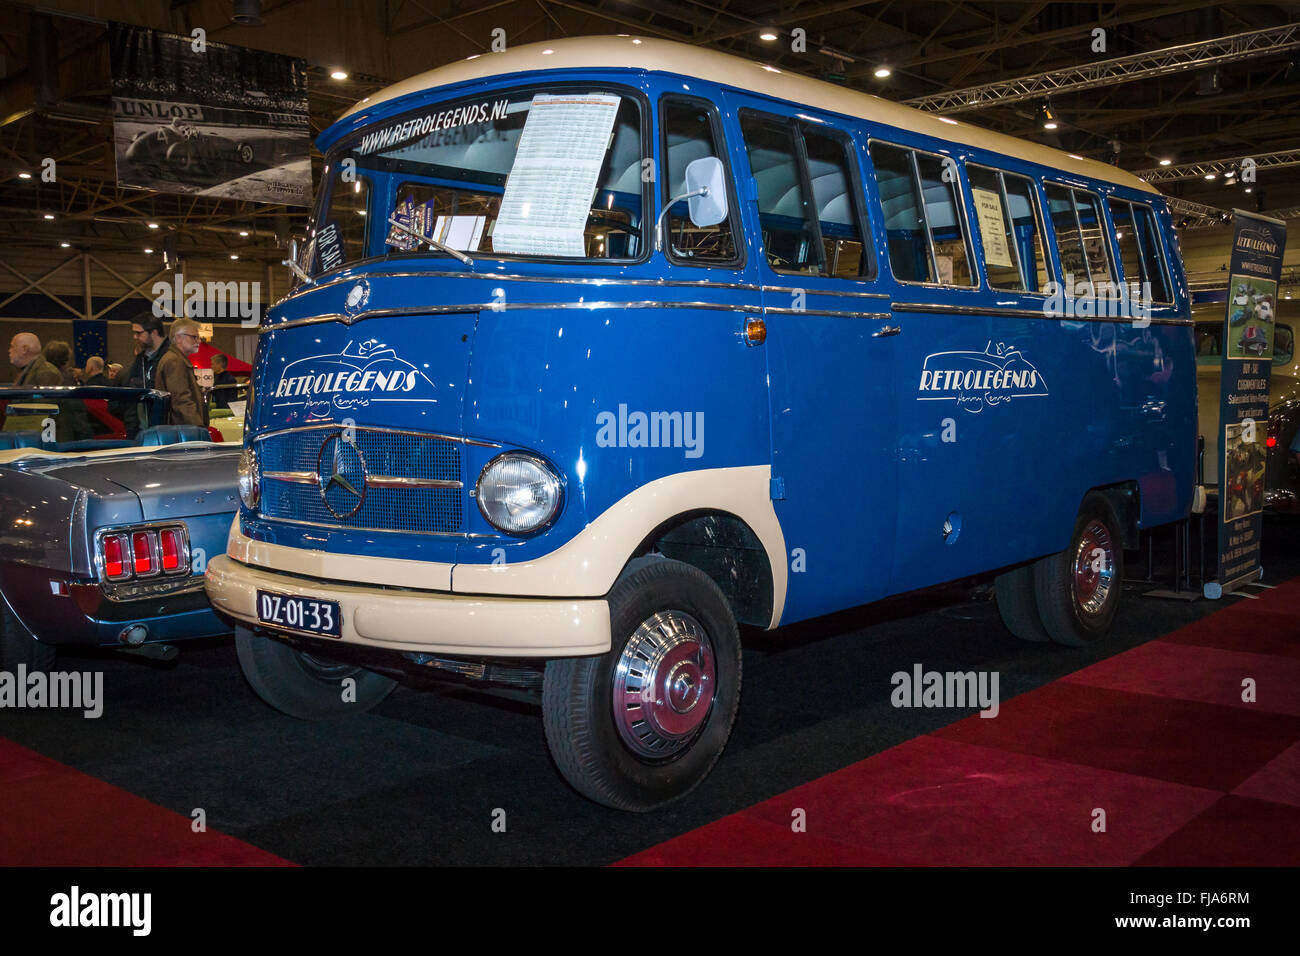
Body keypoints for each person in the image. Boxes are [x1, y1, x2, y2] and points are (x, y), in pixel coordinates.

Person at [113, 312, 169, 438]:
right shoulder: (142, 358)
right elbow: (127, 391)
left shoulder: (171, 358)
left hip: (163, 431)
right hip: (140, 430)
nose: (134, 337)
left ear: (154, 333)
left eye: (139, 333)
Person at [154, 317, 207, 428]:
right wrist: (199, 428)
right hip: (184, 431)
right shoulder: (175, 361)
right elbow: (181, 401)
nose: (199, 341)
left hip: (181, 429)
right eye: (194, 337)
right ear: (178, 338)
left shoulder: (175, 359)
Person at [42, 340, 92, 441]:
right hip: (65, 434)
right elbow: (76, 412)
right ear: (64, 360)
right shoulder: (66, 381)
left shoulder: (43, 378)